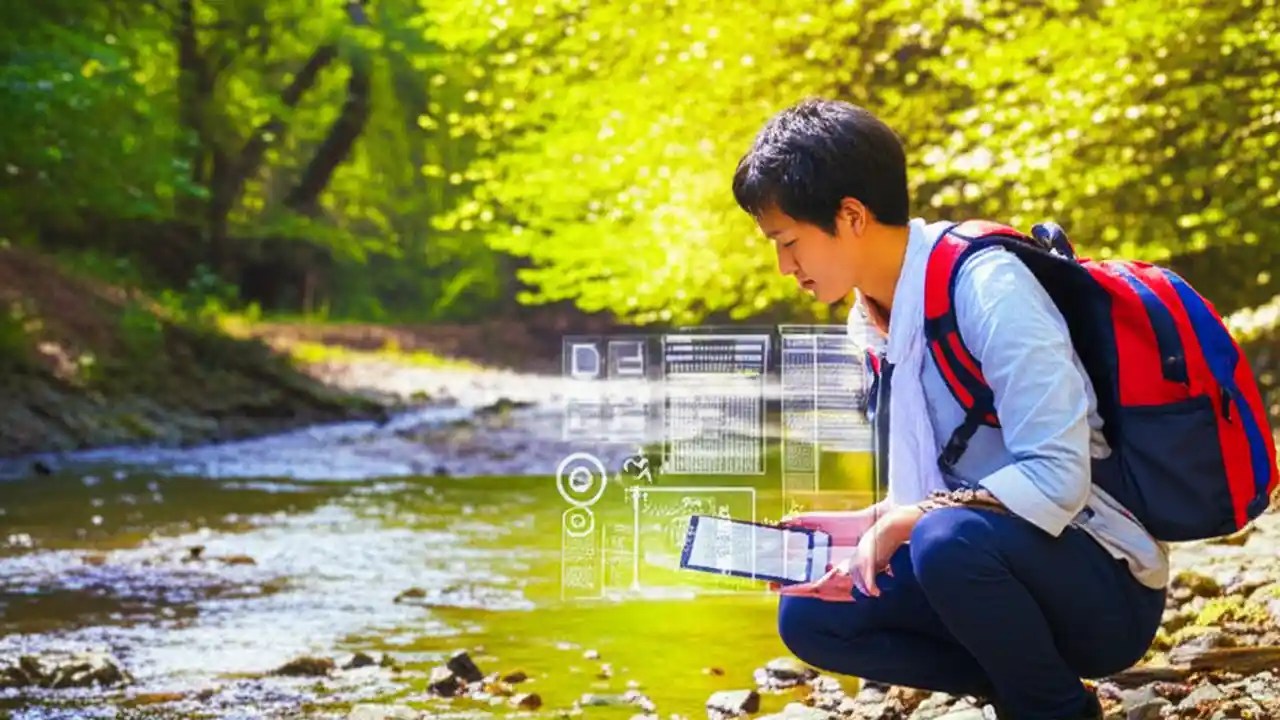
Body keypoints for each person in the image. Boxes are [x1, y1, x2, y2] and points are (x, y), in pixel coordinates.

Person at [731, 98, 1169, 720]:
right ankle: (1030, 688)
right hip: (990, 560)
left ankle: (1053, 710)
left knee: (941, 539)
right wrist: (852, 530)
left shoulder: (988, 288)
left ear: (850, 215)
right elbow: (938, 485)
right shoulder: (877, 321)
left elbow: (1056, 474)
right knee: (809, 614)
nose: (783, 266)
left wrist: (909, 522)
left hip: (1102, 584)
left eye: (789, 241)